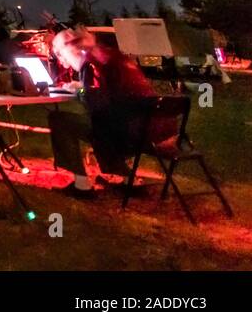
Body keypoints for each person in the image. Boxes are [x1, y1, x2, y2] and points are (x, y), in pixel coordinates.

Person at [47, 27, 170, 197]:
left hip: (125, 133)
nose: (60, 59)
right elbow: (109, 91)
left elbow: (98, 106)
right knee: (102, 122)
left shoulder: (89, 64)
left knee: (59, 120)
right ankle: (129, 180)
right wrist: (82, 89)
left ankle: (82, 186)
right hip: (148, 128)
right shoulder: (109, 55)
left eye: (59, 53)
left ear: (69, 49)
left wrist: (80, 92)